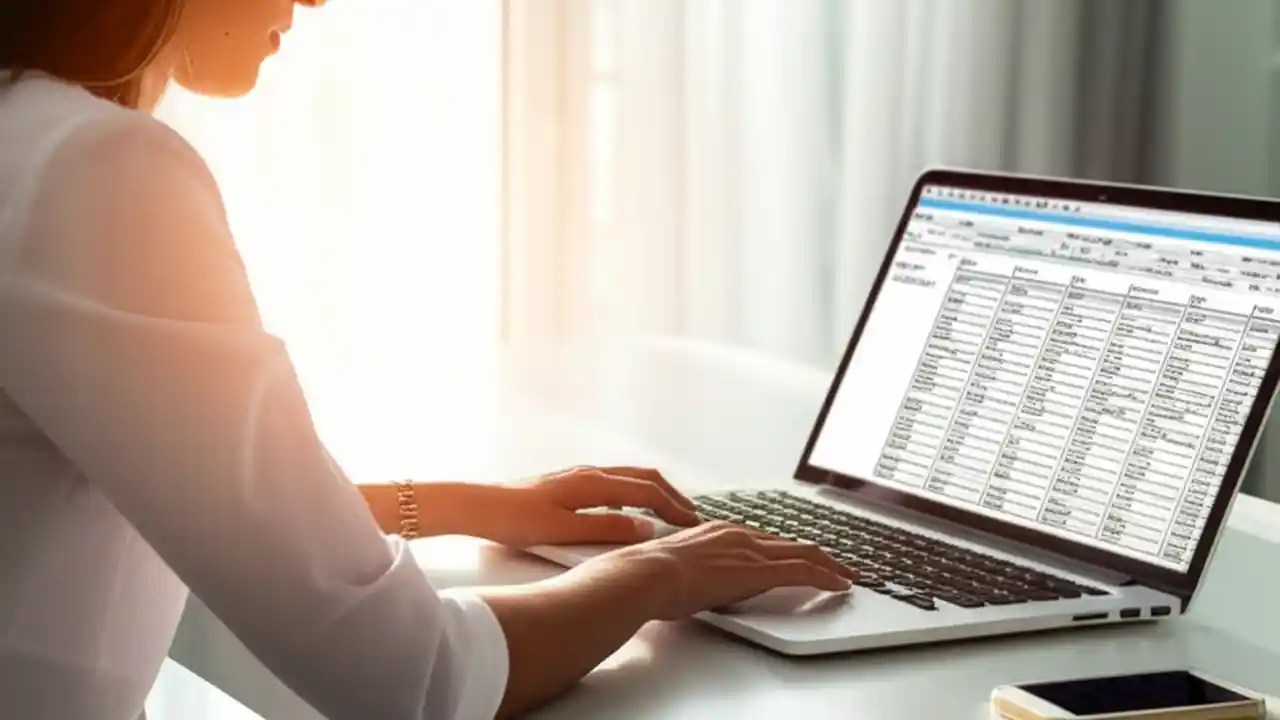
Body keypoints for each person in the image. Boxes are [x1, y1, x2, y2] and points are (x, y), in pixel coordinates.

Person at [0, 2, 857, 719]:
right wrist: (662, 571)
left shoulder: (27, 141)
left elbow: (186, 488)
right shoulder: (93, 172)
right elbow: (413, 678)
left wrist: (460, 505)